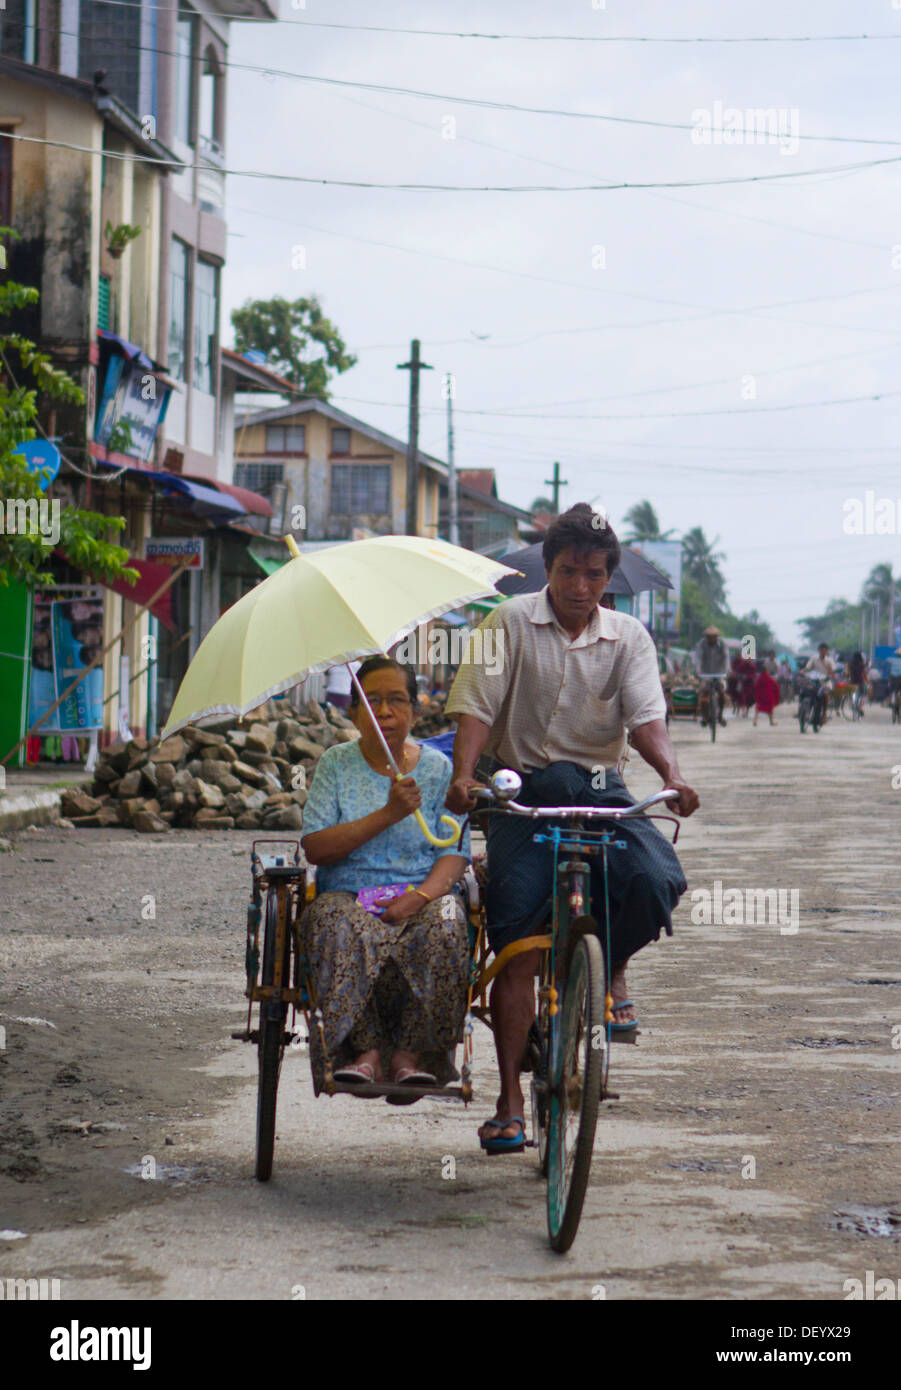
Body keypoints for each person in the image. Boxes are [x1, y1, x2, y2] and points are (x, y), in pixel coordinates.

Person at [444, 503, 698, 1153]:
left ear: (607, 576)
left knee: (654, 877)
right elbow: (475, 706)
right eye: (566, 571)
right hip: (520, 791)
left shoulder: (629, 639)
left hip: (598, 791)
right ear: (547, 570)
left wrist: (670, 774)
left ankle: (608, 968)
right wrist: (464, 775)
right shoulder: (508, 621)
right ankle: (507, 1101)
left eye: (592, 574)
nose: (579, 586)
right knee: (517, 940)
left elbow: (645, 721)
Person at [300, 656, 470, 1099]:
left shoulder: (436, 769)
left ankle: (413, 1057)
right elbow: (316, 847)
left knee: (448, 919)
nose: (385, 712)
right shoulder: (336, 765)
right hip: (347, 895)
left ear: (416, 710)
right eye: (371, 701)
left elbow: (454, 855)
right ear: (353, 712)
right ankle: (366, 1053)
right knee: (335, 922)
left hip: (420, 893)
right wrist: (389, 813)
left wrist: (420, 897)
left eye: (397, 700)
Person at [693, 625, 729, 727]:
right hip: (705, 674)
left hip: (719, 674)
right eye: (709, 636)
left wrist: (727, 670)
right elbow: (698, 658)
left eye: (713, 636)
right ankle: (705, 716)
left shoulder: (722, 644)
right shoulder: (701, 644)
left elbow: (726, 658)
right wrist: (697, 670)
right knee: (704, 694)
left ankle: (720, 715)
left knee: (722, 694)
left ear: (717, 636)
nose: (711, 638)